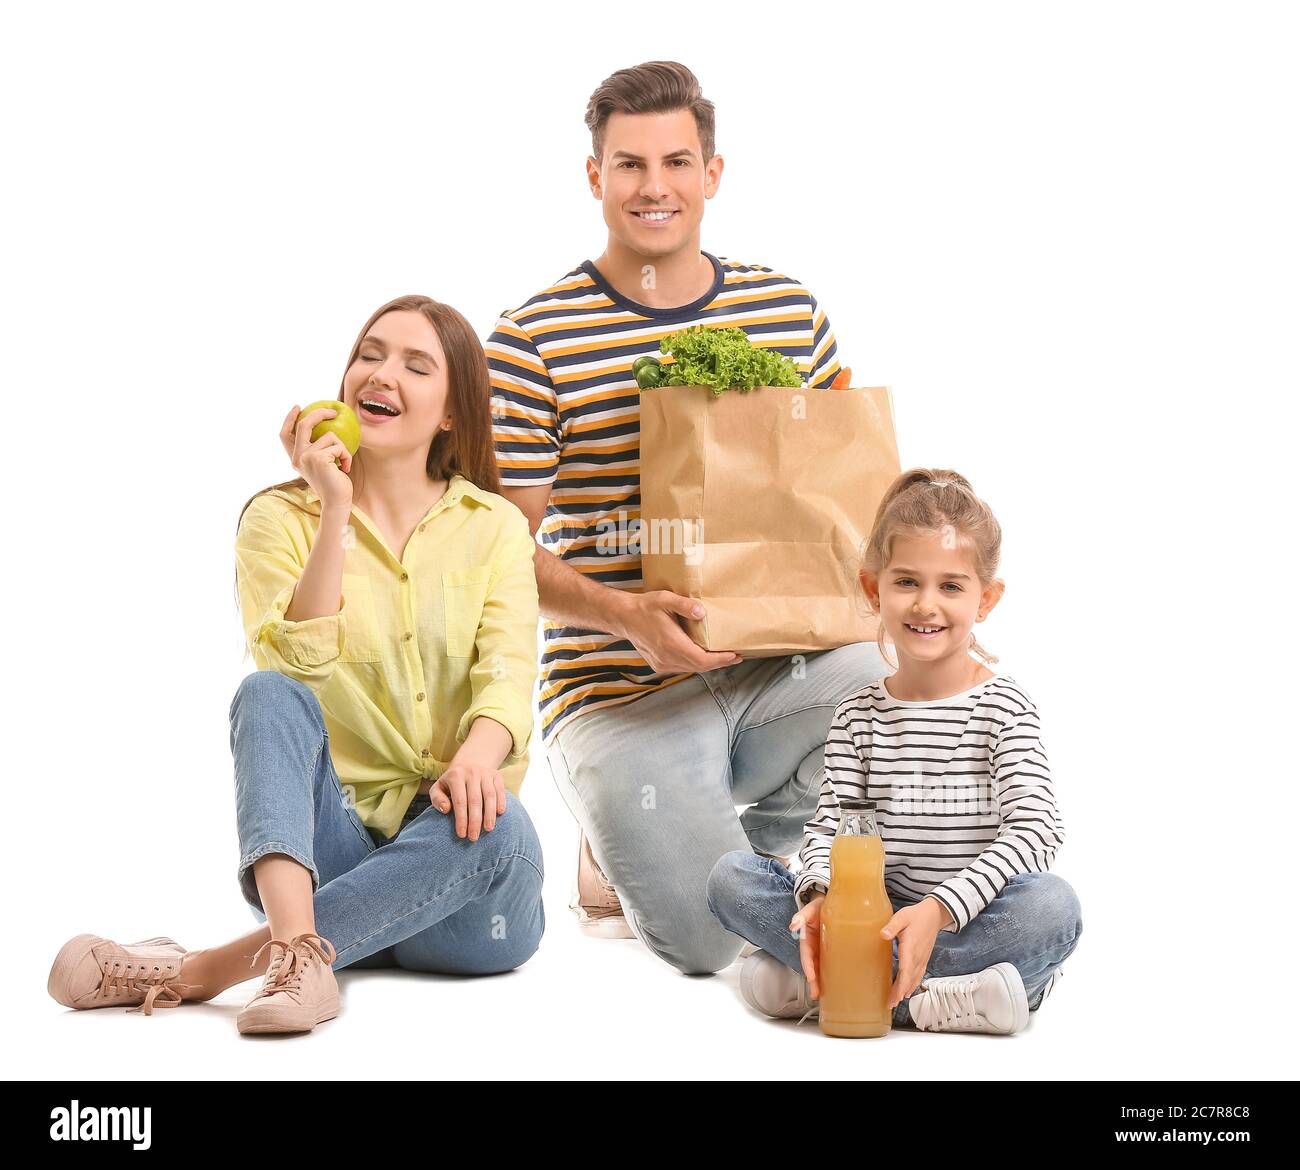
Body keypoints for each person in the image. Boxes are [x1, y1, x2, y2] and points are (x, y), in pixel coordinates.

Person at [486, 60, 890, 971]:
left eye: (676, 162)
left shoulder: (787, 312)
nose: (654, 187)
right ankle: (627, 840)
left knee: (907, 680)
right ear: (595, 177)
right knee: (717, 944)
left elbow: (837, 492)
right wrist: (627, 615)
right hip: (620, 693)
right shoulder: (530, 341)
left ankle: (752, 852)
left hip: (779, 666)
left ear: (712, 172)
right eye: (629, 165)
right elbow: (492, 554)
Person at [47, 295, 544, 1035]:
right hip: (326, 863)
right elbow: (295, 671)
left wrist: (477, 760)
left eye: (416, 364)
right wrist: (333, 509)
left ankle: (204, 970)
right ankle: (302, 954)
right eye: (369, 354)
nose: (381, 374)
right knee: (266, 691)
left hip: (465, 898)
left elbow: (507, 670)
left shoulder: (495, 526)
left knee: (498, 828)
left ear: (450, 410)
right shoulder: (279, 520)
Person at [707, 469, 1082, 1034]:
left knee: (1052, 907)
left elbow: (1036, 829)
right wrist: (818, 896)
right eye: (906, 582)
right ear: (872, 588)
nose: (926, 604)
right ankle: (946, 998)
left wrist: (939, 910)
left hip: (966, 922)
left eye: (951, 586)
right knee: (732, 877)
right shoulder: (858, 714)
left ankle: (847, 987)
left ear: (987, 599)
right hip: (869, 921)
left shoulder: (1003, 708)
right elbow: (830, 824)